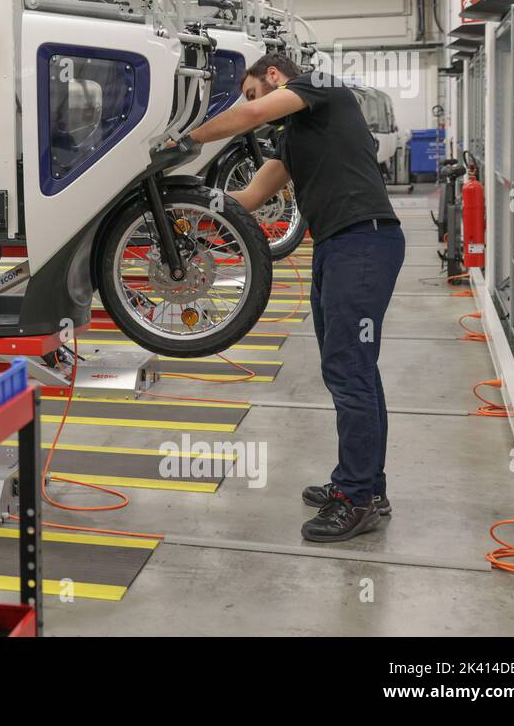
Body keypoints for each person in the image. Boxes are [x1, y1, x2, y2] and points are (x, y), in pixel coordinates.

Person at [171, 53, 404, 542]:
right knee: (353, 367)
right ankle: (365, 484)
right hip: (339, 245)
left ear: (274, 76)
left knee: (349, 369)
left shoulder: (322, 85)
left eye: (253, 91)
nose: (254, 104)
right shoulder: (294, 134)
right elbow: (252, 195)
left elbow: (252, 115)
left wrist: (185, 139)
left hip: (364, 241)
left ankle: (357, 498)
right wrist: (187, 218)